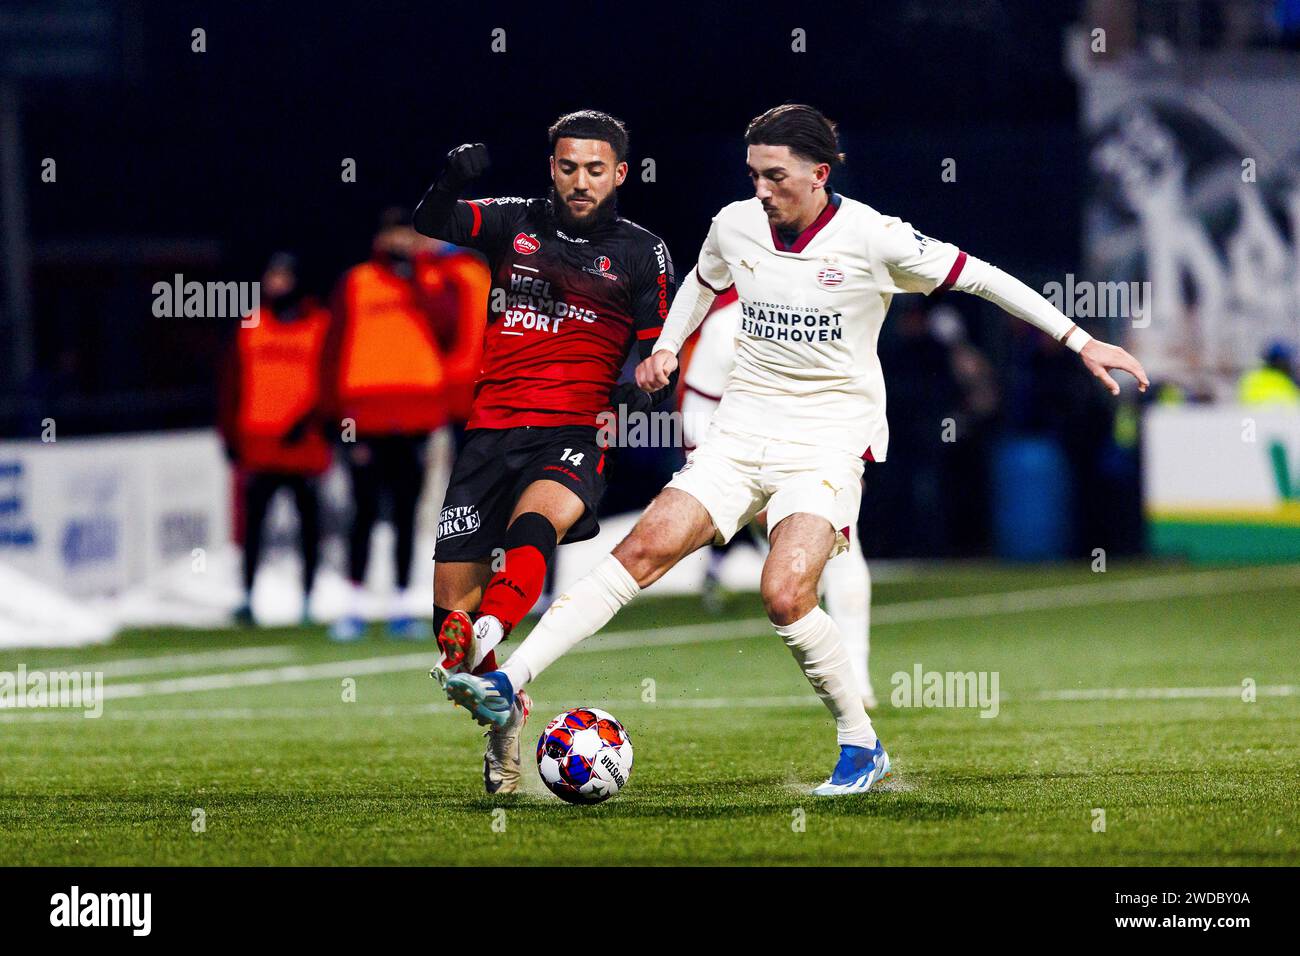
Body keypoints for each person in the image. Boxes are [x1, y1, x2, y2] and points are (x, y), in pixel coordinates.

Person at [442, 104, 1149, 796]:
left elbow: (985, 277)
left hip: (826, 444)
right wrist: (665, 347)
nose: (761, 190)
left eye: (775, 176)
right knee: (640, 552)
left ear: (820, 172)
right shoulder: (737, 223)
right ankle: (508, 683)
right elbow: (702, 278)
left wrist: (1081, 342)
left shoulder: (876, 238)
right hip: (740, 433)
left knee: (785, 594)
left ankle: (859, 743)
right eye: (753, 175)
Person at [412, 110, 676, 793]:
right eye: (567, 167)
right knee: (450, 624)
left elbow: (654, 354)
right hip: (489, 433)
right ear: (551, 168)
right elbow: (433, 223)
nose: (579, 181)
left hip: (572, 429)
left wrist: (637, 395)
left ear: (619, 172)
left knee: (538, 525)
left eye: (594, 169)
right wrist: (448, 180)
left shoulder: (644, 252)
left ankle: (492, 650)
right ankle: (500, 710)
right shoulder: (514, 221)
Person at [681, 289, 876, 706]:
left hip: (817, 456)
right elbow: (698, 405)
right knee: (796, 577)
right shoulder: (726, 323)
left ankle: (854, 677)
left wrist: (853, 456)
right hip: (744, 464)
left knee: (840, 554)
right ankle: (839, 679)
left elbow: (855, 385)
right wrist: (717, 479)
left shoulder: (820, 308)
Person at [323, 208, 457, 641]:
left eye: (407, 235)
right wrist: (334, 417)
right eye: (393, 235)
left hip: (417, 417)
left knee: (406, 512)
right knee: (361, 512)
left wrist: (417, 276)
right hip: (365, 418)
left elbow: (449, 328)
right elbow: (333, 349)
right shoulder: (356, 281)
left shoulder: (431, 278)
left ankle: (401, 604)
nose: (400, 243)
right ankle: (353, 606)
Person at [219, 253, 330, 625]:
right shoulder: (251, 324)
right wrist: (229, 434)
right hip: (260, 443)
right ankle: (247, 597)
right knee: (253, 527)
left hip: (304, 444)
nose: (276, 283)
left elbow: (331, 380)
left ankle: (308, 600)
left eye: (284, 275)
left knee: (309, 526)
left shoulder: (320, 324)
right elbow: (231, 382)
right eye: (272, 275)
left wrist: (313, 420)